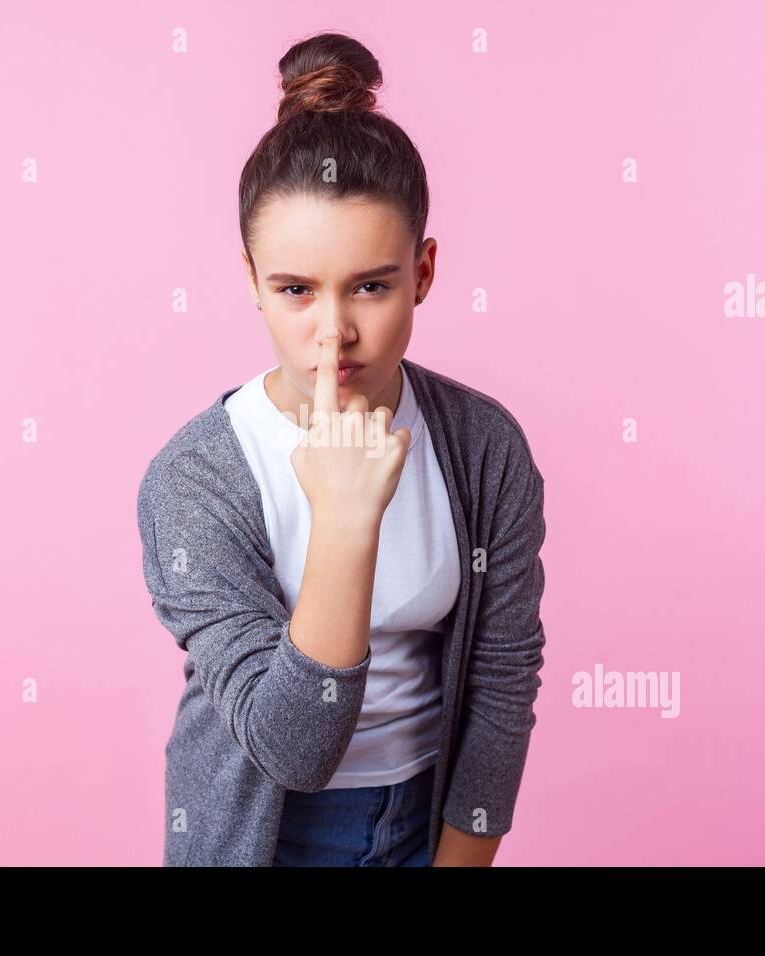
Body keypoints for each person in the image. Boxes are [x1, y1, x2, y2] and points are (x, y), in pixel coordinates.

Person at [136, 31, 547, 866]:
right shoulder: (194, 482)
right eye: (295, 290)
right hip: (263, 836)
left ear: (423, 273)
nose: (336, 333)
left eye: (371, 284)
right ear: (251, 279)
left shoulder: (482, 446)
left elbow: (502, 683)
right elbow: (292, 750)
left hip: (426, 822)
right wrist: (344, 520)